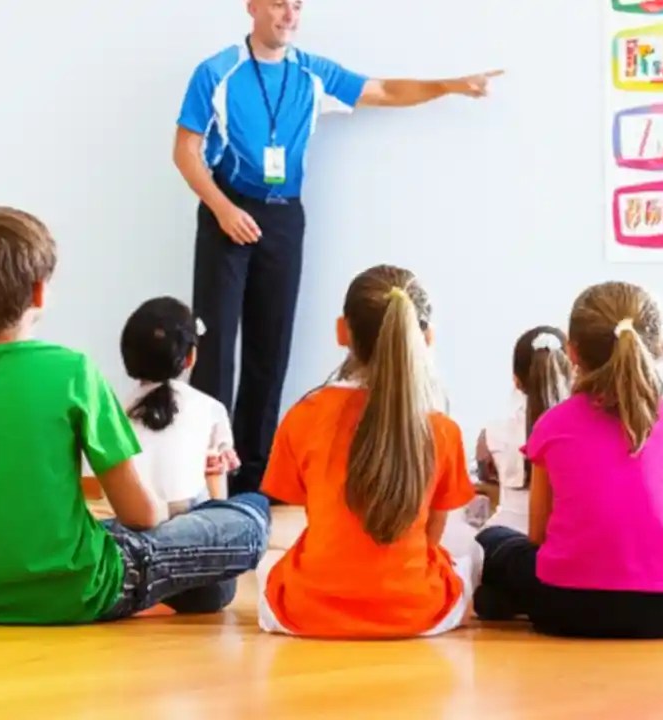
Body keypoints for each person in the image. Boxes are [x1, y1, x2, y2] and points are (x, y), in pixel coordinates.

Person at [172, 0, 502, 495]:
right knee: (215, 346)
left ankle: (253, 476)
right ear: (253, 7)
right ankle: (206, 469)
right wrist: (222, 209)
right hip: (227, 210)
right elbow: (186, 151)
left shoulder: (311, 73)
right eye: (278, 4)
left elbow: (385, 90)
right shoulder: (217, 72)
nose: (288, 14)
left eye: (297, 6)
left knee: (272, 344)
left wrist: (450, 85)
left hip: (284, 215)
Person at [0, 206, 269, 624]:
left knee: (192, 573)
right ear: (39, 292)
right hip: (72, 589)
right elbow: (141, 515)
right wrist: (181, 511)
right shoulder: (72, 373)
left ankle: (199, 581)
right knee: (248, 517)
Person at [474, 282, 663, 639]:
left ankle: (499, 599)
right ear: (660, 348)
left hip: (569, 606)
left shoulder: (553, 424)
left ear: (572, 352)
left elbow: (538, 536)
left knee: (494, 541)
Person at [257, 265, 478, 638]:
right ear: (425, 337)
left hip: (307, 612)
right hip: (416, 612)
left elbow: (303, 508)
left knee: (271, 563)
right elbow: (433, 535)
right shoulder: (442, 428)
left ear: (342, 331)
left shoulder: (304, 414)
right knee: (471, 554)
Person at [84, 297, 238, 516]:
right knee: (220, 469)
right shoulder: (211, 408)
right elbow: (224, 461)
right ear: (190, 358)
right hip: (188, 520)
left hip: (131, 519)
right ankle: (220, 522)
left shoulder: (115, 410)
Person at [475, 326, 572, 534]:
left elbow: (484, 480)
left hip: (504, 538)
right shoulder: (581, 435)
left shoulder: (490, 434)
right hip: (560, 538)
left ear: (516, 381)